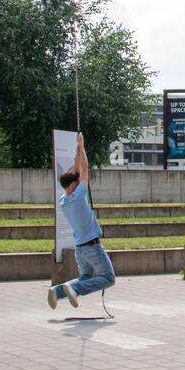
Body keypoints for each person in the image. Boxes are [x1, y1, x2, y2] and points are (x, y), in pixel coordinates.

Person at [48, 132, 114, 310]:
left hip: (80, 248)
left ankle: (58, 291)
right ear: (72, 185)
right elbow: (85, 171)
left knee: (86, 277)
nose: (79, 182)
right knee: (108, 278)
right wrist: (83, 147)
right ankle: (73, 288)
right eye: (76, 182)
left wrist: (77, 152)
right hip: (92, 246)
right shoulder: (78, 196)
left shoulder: (64, 200)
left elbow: (77, 172)